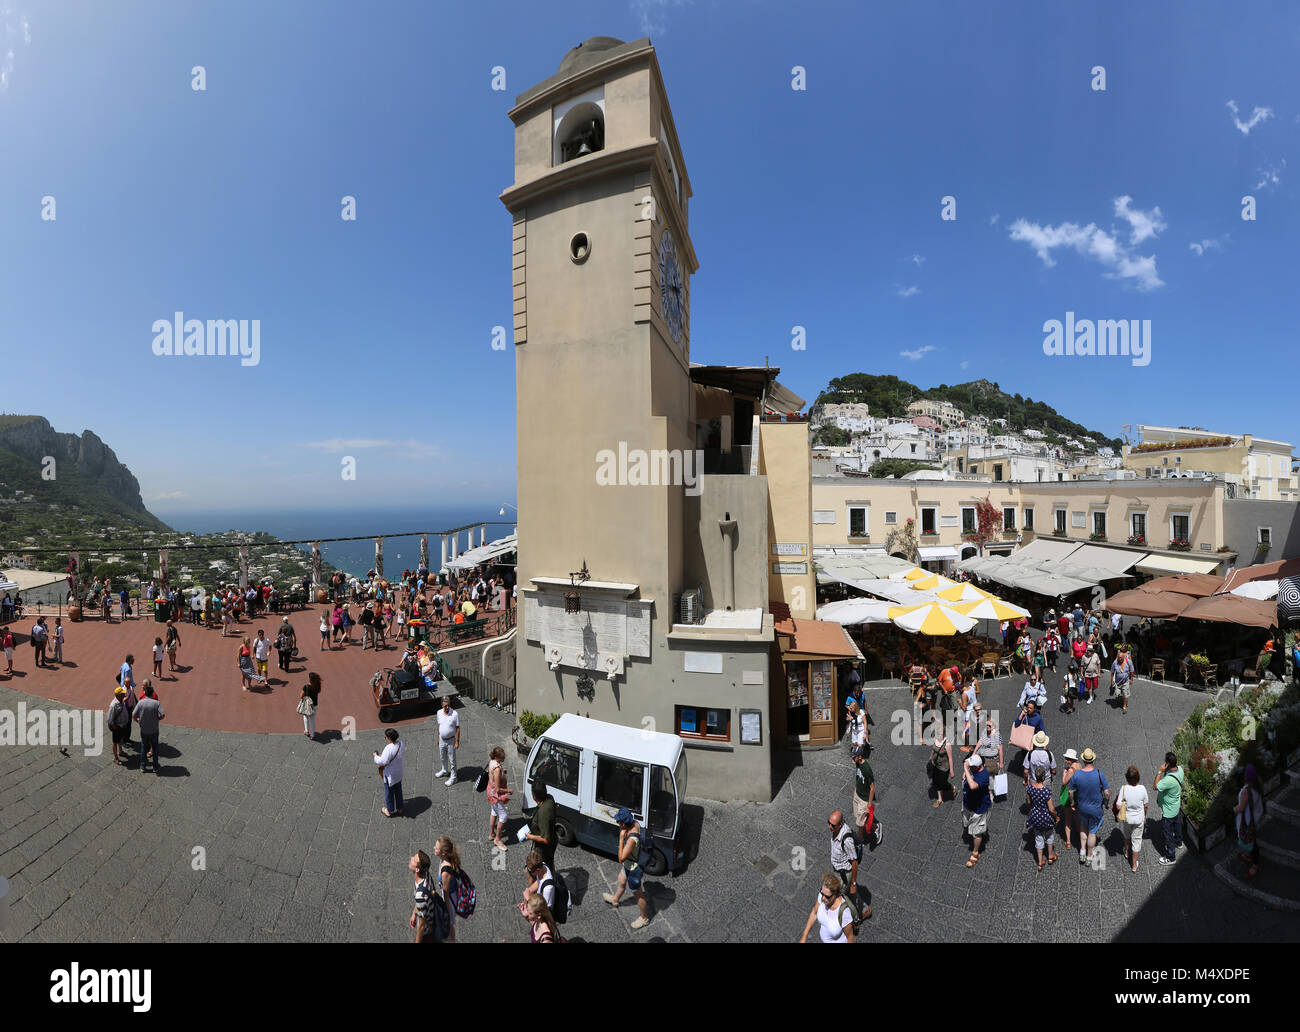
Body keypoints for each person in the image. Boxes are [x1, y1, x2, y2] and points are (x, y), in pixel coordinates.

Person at [602, 807, 651, 929]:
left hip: (634, 869)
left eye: (618, 822)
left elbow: (621, 858)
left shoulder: (631, 840)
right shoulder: (634, 823)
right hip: (629, 865)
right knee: (621, 880)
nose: (618, 824)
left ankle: (644, 918)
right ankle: (615, 899)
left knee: (638, 894)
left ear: (623, 824)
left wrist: (621, 838)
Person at [827, 809, 869, 925]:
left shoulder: (847, 840)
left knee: (841, 897)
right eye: (829, 823)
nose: (830, 827)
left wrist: (853, 883)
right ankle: (865, 910)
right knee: (851, 893)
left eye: (833, 825)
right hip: (839, 870)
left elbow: (854, 861)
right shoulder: (837, 829)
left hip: (844, 873)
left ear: (840, 824)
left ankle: (855, 918)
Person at [1071, 747, 1110, 867]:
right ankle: (1089, 856)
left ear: (1083, 760)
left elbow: (1070, 791)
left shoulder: (1077, 774)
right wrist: (1107, 803)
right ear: (1093, 759)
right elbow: (1107, 792)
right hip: (1095, 810)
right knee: (1092, 832)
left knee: (1083, 827)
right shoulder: (1099, 774)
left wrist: (1073, 803)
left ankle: (1082, 851)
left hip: (1082, 808)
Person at [799, 872, 855, 944]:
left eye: (828, 896)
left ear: (836, 894)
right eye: (822, 894)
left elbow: (850, 938)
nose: (823, 898)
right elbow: (814, 913)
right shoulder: (823, 895)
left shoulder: (844, 913)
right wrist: (804, 936)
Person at [1115, 765, 1149, 872]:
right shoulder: (1142, 788)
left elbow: (1118, 806)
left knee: (1126, 834)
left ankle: (1126, 852)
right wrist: (1144, 815)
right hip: (1139, 819)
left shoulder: (1124, 789)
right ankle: (1134, 865)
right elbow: (1146, 805)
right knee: (1137, 840)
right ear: (1138, 777)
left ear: (1127, 778)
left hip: (1127, 819)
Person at [1026, 764, 1059, 871]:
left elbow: (1028, 801)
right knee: (1049, 836)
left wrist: (1033, 810)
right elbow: (1051, 809)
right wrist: (1056, 817)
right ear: (1044, 778)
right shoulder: (1046, 792)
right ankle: (1050, 856)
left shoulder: (1030, 787)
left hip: (1035, 817)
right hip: (1046, 818)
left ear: (1035, 776)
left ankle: (1040, 862)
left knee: (1038, 838)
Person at [961, 752, 992, 867]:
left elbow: (973, 786)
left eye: (970, 767)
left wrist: (965, 769)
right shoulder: (974, 769)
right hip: (969, 804)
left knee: (977, 833)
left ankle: (975, 852)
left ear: (978, 767)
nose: (969, 767)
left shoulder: (983, 776)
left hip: (979, 808)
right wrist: (967, 771)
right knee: (968, 824)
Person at [1233, 765, 1264, 879]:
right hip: (1255, 818)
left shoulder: (1246, 791)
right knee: (1251, 839)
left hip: (1247, 821)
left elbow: (1240, 808)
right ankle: (1248, 855)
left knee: (1252, 842)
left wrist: (1233, 809)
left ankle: (1255, 865)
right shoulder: (1258, 785)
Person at [1153, 752, 1184, 865]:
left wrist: (1160, 771)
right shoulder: (1180, 769)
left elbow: (1155, 786)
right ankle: (1179, 842)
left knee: (1168, 834)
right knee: (1177, 824)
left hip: (1168, 810)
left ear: (1167, 764)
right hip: (1176, 805)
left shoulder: (1168, 780)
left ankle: (1171, 857)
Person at [851, 746, 882, 847]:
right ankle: (875, 826)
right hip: (857, 794)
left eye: (854, 757)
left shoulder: (867, 769)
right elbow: (857, 776)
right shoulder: (857, 763)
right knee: (859, 818)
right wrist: (855, 789)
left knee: (859, 823)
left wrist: (869, 803)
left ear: (860, 757)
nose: (852, 759)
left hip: (864, 799)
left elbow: (872, 787)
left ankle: (860, 840)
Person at [409, 850, 442, 943]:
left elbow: (421, 926)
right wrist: (414, 913)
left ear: (417, 870)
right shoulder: (426, 874)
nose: (411, 858)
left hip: (427, 931)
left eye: (413, 860)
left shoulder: (420, 896)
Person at [133, 682, 165, 774]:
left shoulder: (140, 703)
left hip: (144, 729)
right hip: (154, 729)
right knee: (155, 748)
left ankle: (143, 766)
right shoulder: (156, 703)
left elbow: (133, 715)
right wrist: (158, 718)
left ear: (145, 693)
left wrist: (138, 720)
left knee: (143, 747)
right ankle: (155, 767)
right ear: (152, 694)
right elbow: (162, 714)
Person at [525, 780, 557, 870]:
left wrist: (530, 837)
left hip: (544, 849)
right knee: (549, 863)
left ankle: (547, 881)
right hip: (552, 840)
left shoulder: (543, 812)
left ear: (534, 797)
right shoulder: (550, 798)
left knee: (542, 868)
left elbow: (546, 839)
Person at [434, 835, 461, 942]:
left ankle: (451, 940)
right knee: (449, 925)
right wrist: (441, 883)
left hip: (449, 899)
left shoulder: (446, 871)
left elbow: (446, 894)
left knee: (448, 924)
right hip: (449, 893)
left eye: (436, 848)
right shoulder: (445, 860)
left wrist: (446, 912)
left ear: (443, 853)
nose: (433, 848)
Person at [374, 728, 405, 817]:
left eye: (385, 737)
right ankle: (400, 808)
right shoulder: (401, 744)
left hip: (390, 775)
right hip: (399, 772)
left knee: (389, 792)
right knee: (398, 790)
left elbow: (382, 762)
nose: (385, 738)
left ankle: (389, 810)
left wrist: (375, 756)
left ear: (389, 738)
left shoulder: (388, 748)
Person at [487, 745, 512, 851]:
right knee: (503, 816)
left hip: (489, 792)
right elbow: (498, 789)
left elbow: (490, 773)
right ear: (497, 757)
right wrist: (508, 791)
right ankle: (497, 839)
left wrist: (502, 772)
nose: (504, 758)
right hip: (495, 795)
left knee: (494, 812)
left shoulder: (492, 762)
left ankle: (491, 833)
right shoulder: (497, 769)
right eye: (502, 757)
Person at [435, 696, 461, 786]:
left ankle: (454, 778)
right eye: (445, 705)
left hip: (451, 740)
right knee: (442, 757)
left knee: (452, 760)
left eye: (448, 705)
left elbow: (458, 728)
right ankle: (444, 770)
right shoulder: (439, 713)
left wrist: (457, 741)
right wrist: (438, 737)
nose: (447, 707)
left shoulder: (454, 714)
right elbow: (439, 725)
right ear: (442, 704)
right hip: (442, 739)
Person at [928, 725, 954, 808]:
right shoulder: (935, 739)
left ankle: (952, 788)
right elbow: (933, 749)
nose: (939, 735)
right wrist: (931, 757)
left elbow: (950, 758)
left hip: (944, 767)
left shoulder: (947, 744)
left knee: (942, 782)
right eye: (937, 733)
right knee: (936, 781)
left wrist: (951, 771)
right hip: (936, 764)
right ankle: (940, 799)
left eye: (940, 734)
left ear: (944, 734)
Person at [1059, 748, 1079, 852]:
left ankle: (1068, 842)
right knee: (1076, 815)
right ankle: (1079, 832)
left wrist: (1064, 772)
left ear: (1070, 759)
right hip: (1077, 794)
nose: (1065, 760)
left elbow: (1064, 782)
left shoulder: (1070, 770)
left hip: (1069, 795)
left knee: (1067, 819)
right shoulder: (1079, 766)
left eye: (1067, 758)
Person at [107, 685, 131, 765]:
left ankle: (120, 751)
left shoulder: (121, 700)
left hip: (122, 725)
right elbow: (110, 719)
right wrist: (115, 728)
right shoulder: (113, 705)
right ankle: (115, 757)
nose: (124, 694)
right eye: (122, 694)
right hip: (117, 727)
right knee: (115, 742)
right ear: (118, 695)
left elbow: (125, 699)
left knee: (120, 739)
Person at [1110, 649, 1135, 714]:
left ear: (1124, 657)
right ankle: (1120, 697)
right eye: (1118, 657)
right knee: (1117, 694)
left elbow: (1132, 671)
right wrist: (1112, 681)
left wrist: (1131, 679)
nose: (1119, 659)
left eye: (1121, 658)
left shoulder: (1128, 661)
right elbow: (1112, 672)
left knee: (1126, 695)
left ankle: (1124, 707)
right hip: (1118, 682)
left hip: (1125, 681)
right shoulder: (1115, 662)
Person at [300, 671, 321, 739]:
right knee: (312, 720)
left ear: (310, 679)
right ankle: (312, 735)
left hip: (307, 705)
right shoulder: (317, 685)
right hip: (314, 705)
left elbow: (301, 696)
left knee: (305, 716)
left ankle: (306, 731)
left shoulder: (306, 687)